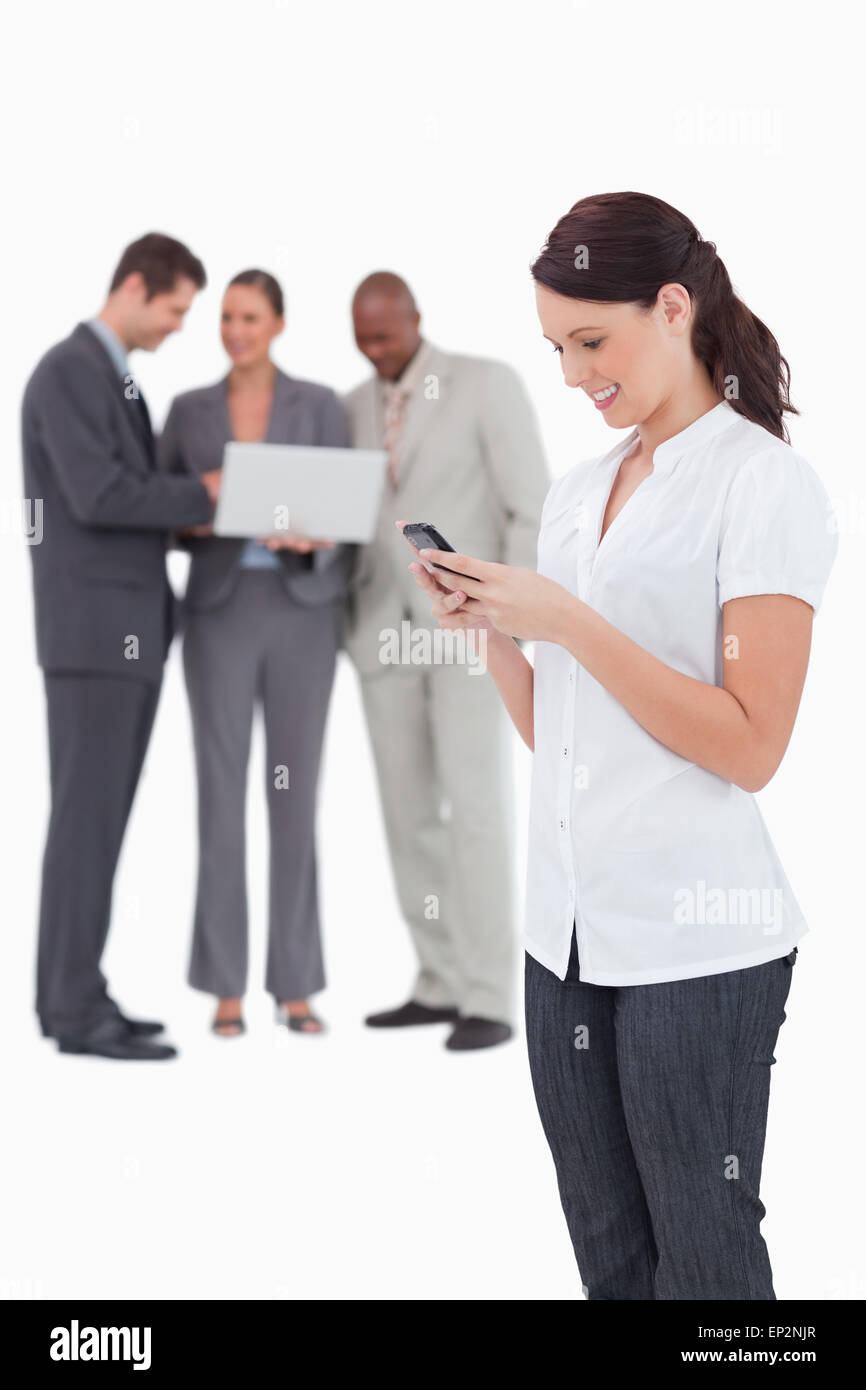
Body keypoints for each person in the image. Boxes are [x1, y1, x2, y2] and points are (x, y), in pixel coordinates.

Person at [401, 191, 837, 1296]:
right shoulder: (577, 492)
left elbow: (752, 746)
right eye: (554, 347)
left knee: (706, 1259)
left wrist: (567, 622)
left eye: (590, 341)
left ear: (673, 307)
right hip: (564, 942)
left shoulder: (762, 484)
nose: (571, 373)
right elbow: (559, 732)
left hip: (697, 948)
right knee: (611, 1263)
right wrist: (493, 631)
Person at [22, 232, 221, 1061]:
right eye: (175, 308)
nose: (179, 325)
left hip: (121, 636)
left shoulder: (109, 375)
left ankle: (75, 993)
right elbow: (99, 494)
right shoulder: (71, 370)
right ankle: (73, 1011)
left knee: (95, 825)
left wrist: (186, 516)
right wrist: (204, 492)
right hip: (98, 638)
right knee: (86, 824)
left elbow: (116, 503)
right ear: (135, 286)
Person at [343, 272, 549, 1051]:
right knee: (407, 813)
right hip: (378, 632)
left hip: (468, 633)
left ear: (415, 319)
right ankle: (438, 980)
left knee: (476, 809)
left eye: (385, 335)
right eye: (361, 338)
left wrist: (506, 620)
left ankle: (489, 994)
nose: (374, 349)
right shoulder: (346, 408)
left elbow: (529, 506)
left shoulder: (485, 385)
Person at [158, 269, 353, 1038]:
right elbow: (160, 507)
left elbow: (346, 507)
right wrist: (199, 512)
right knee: (220, 794)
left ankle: (296, 985)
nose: (235, 330)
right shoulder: (188, 409)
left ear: (277, 323)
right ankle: (223, 985)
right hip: (219, 610)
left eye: (249, 317)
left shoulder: (320, 405)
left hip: (302, 612)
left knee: (294, 796)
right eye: (226, 317)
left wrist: (313, 534)